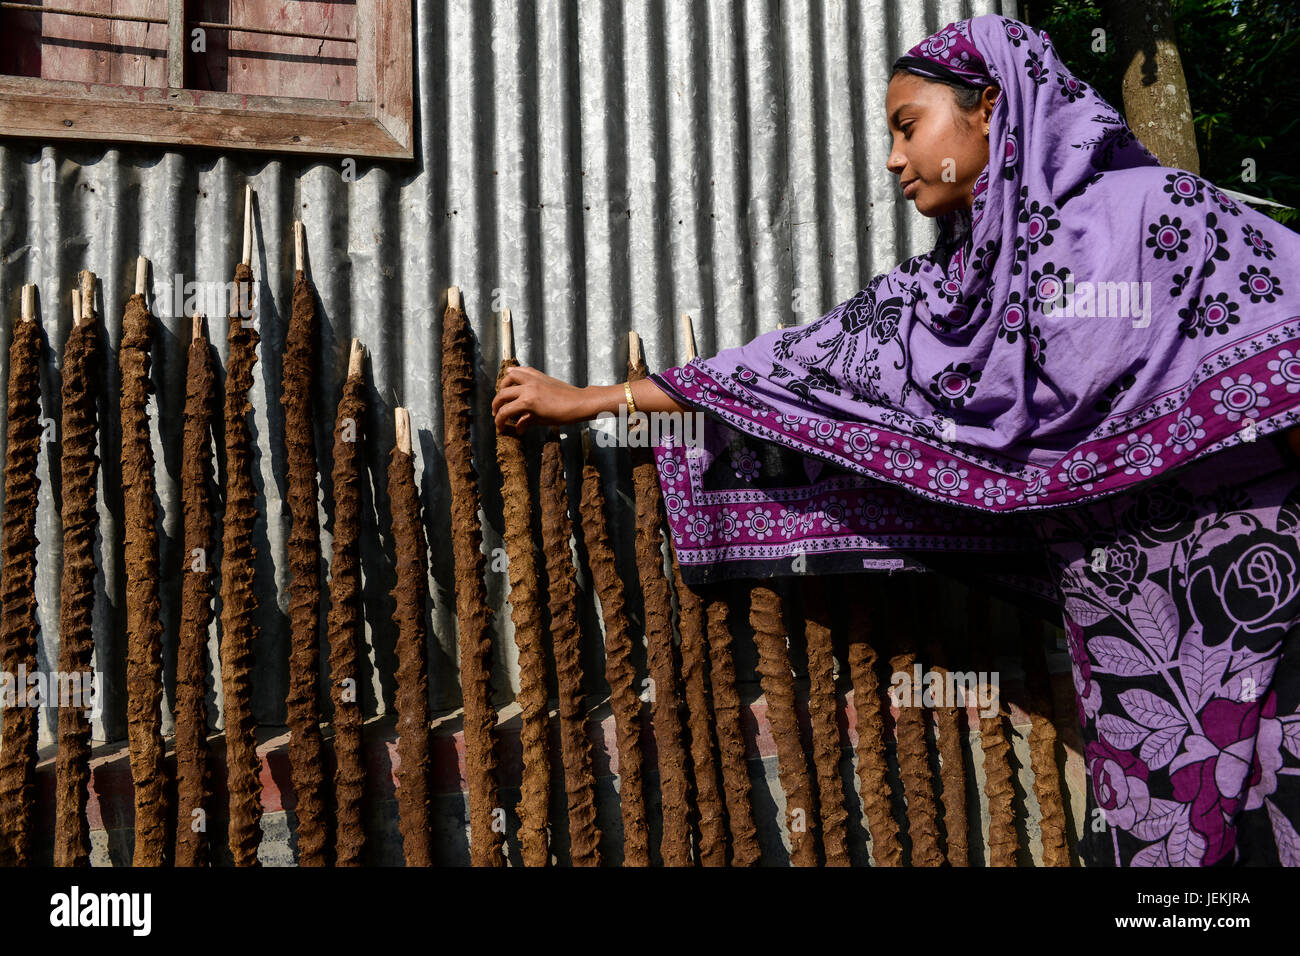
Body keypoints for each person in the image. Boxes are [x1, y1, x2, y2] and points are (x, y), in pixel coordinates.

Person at [492, 14, 1300, 867]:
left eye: (908, 127)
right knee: (1164, 833)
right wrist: (589, 401)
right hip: (1128, 637)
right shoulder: (942, 302)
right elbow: (786, 373)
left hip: (1266, 596)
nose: (893, 160)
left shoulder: (1163, 217)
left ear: (991, 108)